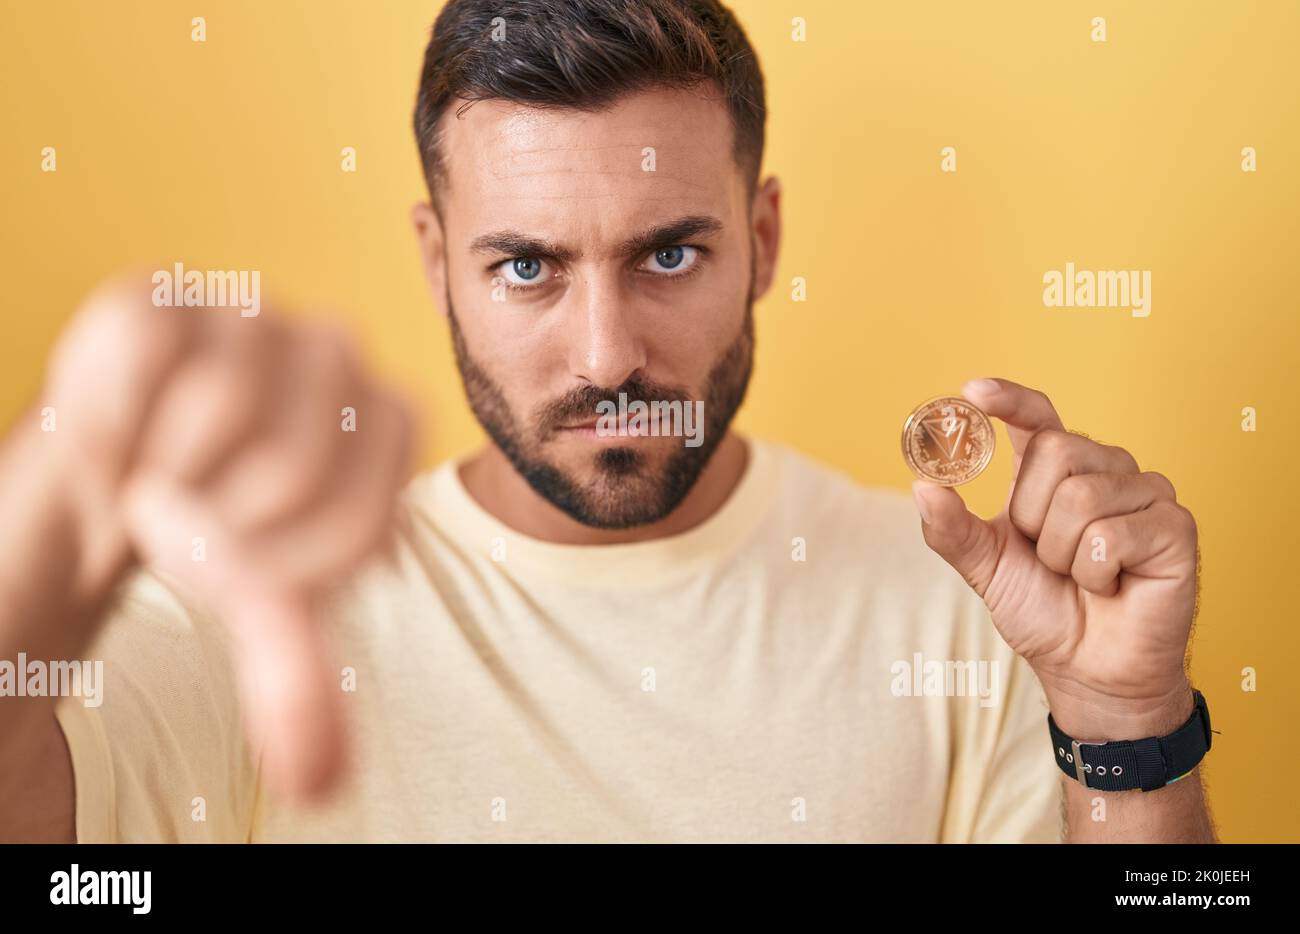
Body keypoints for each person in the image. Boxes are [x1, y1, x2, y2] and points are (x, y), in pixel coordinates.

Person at [0, 0, 1213, 842]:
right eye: (525, 266)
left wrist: (1123, 725)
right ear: (436, 266)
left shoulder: (970, 609)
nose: (606, 355)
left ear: (765, 240)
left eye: (670, 253)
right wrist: (39, 537)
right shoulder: (246, 608)